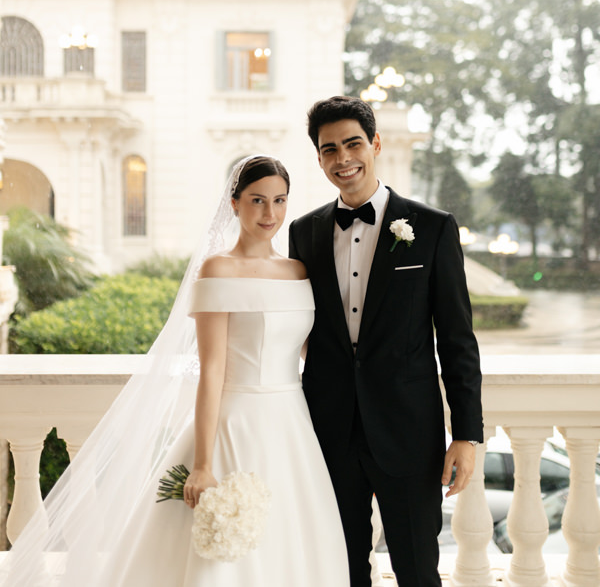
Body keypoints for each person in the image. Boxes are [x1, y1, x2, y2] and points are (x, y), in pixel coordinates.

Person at [3, 155, 350, 587]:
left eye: (279, 201)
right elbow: (212, 375)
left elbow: (309, 355)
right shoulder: (218, 269)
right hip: (235, 422)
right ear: (235, 202)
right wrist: (203, 465)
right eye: (257, 200)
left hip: (292, 425)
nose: (269, 214)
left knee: (294, 544)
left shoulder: (298, 272)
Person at [289, 97, 484, 587]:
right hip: (328, 433)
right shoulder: (303, 233)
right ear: (318, 158)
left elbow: (457, 340)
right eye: (329, 149)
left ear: (375, 144)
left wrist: (466, 433)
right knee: (339, 569)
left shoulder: (432, 228)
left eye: (353, 143)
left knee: (418, 571)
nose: (343, 158)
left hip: (408, 434)